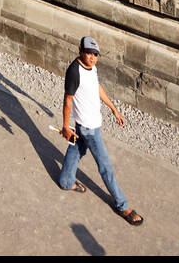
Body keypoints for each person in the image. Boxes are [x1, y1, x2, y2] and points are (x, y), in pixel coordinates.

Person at [58, 37, 143, 224]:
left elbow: (96, 87)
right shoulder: (74, 71)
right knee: (106, 167)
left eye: (95, 54)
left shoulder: (91, 67)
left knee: (76, 149)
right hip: (89, 128)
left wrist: (114, 109)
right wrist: (65, 126)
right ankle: (123, 206)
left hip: (86, 125)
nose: (92, 57)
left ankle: (65, 181)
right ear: (80, 50)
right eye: (89, 53)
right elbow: (68, 100)